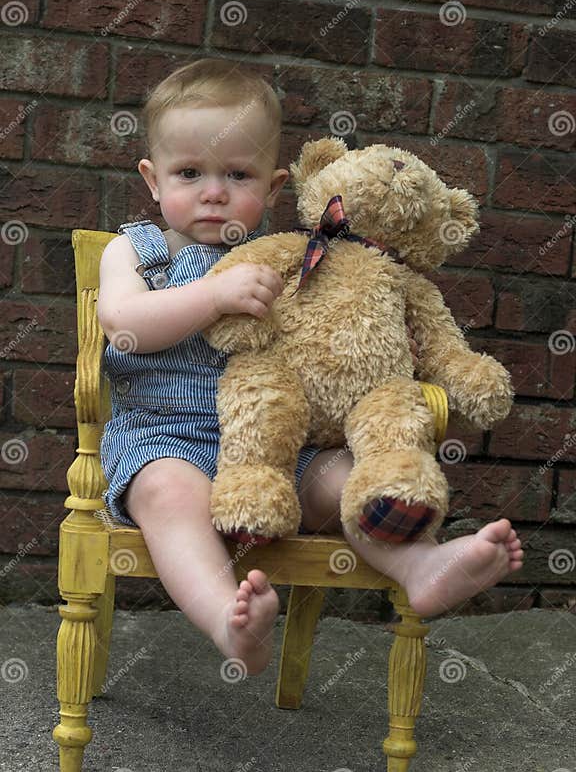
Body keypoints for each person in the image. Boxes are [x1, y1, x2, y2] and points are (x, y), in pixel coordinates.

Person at [97, 58, 524, 677]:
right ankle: (228, 621)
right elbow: (123, 325)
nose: (213, 191)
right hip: (164, 440)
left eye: (236, 174)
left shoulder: (299, 258)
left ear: (271, 190)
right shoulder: (136, 249)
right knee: (168, 496)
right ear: (153, 180)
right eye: (190, 172)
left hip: (283, 445)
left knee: (345, 477)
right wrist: (212, 297)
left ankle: (421, 566)